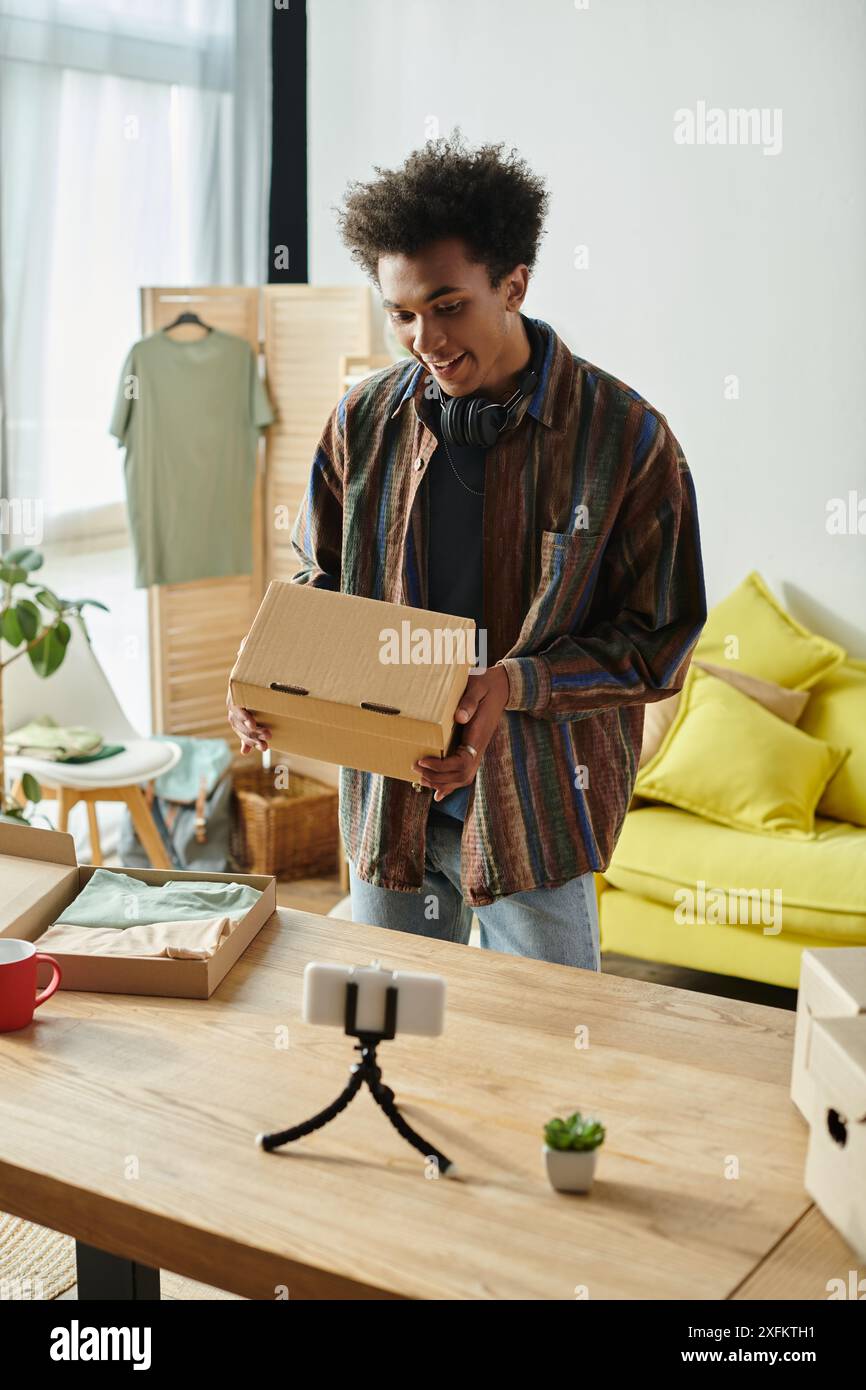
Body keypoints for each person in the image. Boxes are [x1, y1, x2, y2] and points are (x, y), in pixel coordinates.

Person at [227, 129, 707, 971]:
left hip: (536, 813)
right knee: (387, 1049)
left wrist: (513, 684)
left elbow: (659, 644)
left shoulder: (626, 440)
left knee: (549, 1056)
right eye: (402, 314)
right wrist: (272, 672)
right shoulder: (360, 423)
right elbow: (320, 585)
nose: (425, 339)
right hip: (389, 807)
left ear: (514, 285)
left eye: (449, 306)